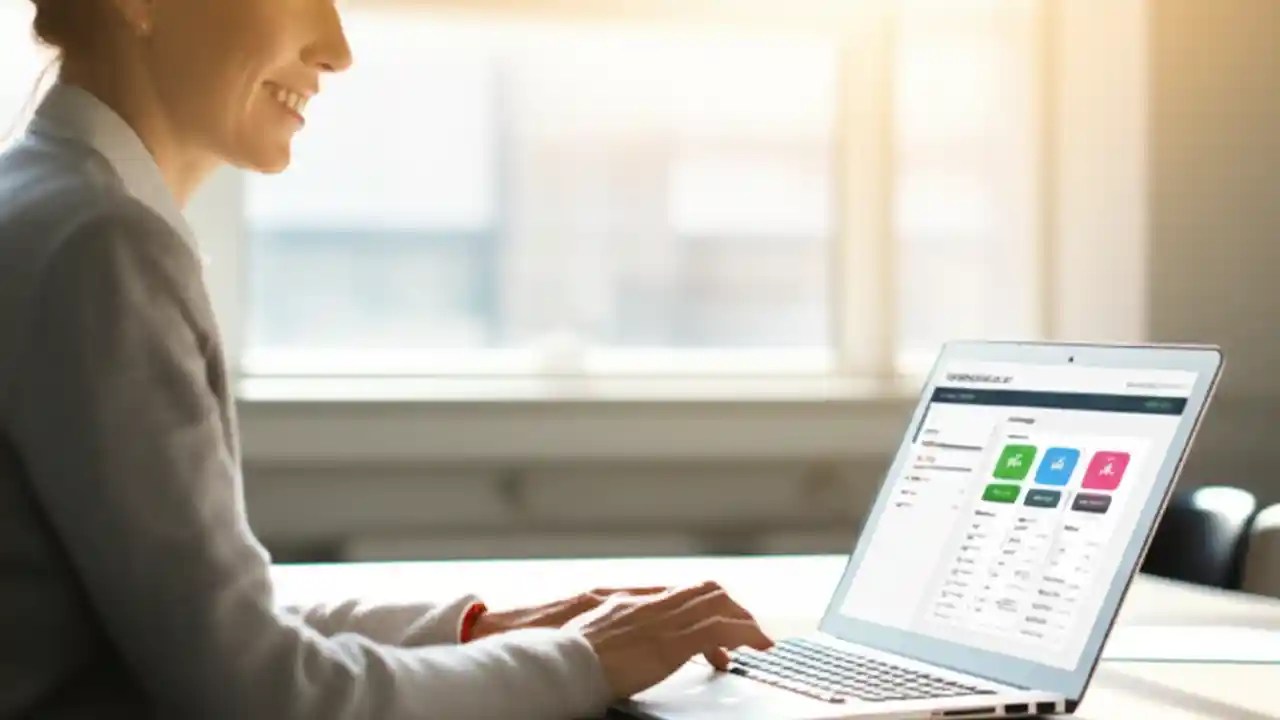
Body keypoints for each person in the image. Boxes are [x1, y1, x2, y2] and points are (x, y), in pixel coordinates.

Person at [0, 0, 774, 717]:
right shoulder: (99, 245)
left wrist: (481, 629)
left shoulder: (48, 202)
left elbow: (202, 622)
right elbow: (257, 690)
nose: (335, 50)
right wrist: (579, 662)